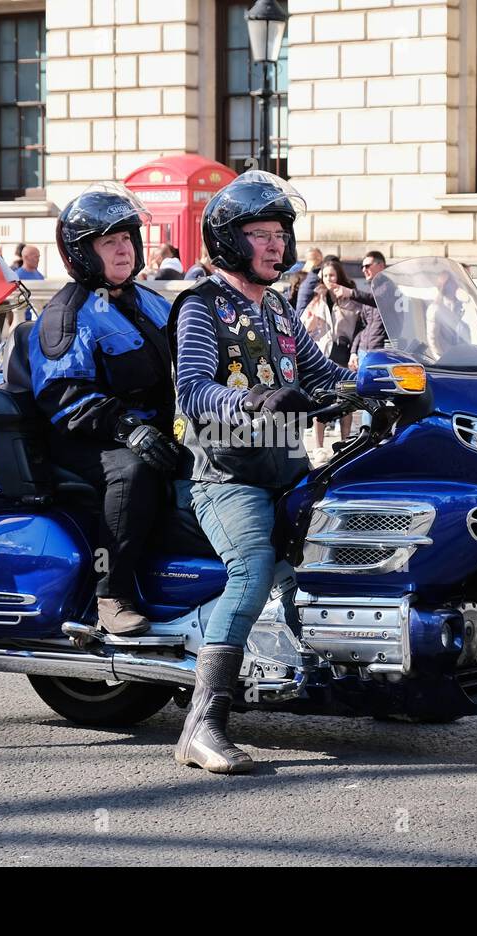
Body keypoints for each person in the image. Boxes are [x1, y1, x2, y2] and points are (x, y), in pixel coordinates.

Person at [171, 171, 354, 773]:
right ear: (229, 240)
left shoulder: (278, 309)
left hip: (290, 470)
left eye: (280, 233)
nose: (275, 245)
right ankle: (202, 726)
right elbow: (193, 391)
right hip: (228, 476)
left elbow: (323, 378)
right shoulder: (201, 307)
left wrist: (388, 385)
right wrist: (249, 401)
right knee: (251, 572)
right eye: (260, 233)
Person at [9, 183, 180, 635]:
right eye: (109, 242)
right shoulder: (68, 314)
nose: (123, 249)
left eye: (126, 238)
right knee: (132, 473)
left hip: (158, 427)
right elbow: (64, 396)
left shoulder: (150, 301)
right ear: (83, 253)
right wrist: (129, 429)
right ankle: (113, 593)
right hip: (84, 439)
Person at [301, 256, 377, 452]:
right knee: (322, 399)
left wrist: (355, 351)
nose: (329, 279)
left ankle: (345, 443)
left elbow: (363, 325)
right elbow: (303, 322)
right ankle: (318, 448)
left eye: (332, 275)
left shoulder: (352, 298)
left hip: (344, 350)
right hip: (323, 350)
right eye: (325, 275)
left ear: (339, 275)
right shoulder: (318, 297)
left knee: (346, 399)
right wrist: (308, 325)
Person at [294, 246, 325, 312]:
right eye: (311, 258)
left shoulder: (324, 274)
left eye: (316, 258)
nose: (314, 260)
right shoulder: (300, 275)